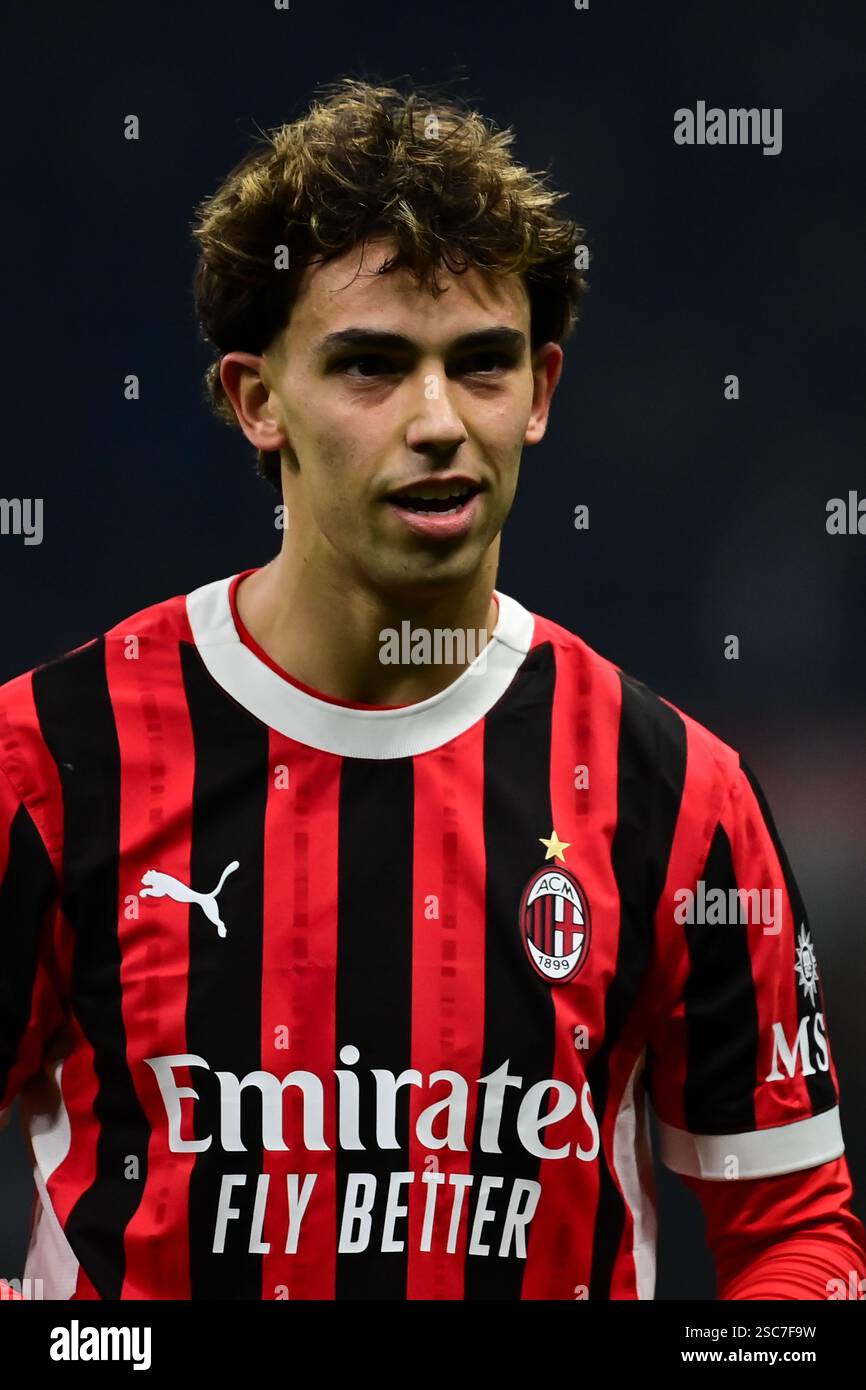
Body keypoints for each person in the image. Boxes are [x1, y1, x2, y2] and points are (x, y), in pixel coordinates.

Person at [1, 77, 863, 1301]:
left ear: (541, 392)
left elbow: (794, 1236)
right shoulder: (47, 757)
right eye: (368, 366)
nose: (435, 421)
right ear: (257, 402)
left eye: (480, 365)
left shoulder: (676, 794)